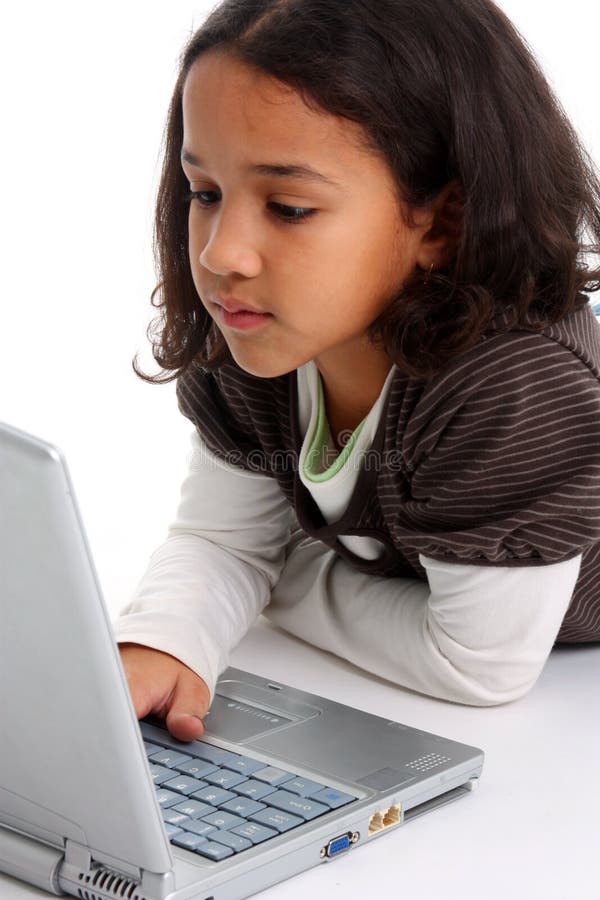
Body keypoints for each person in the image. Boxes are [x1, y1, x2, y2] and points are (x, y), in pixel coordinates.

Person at [113, 0, 600, 743]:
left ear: (441, 222)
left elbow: (477, 662)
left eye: (290, 207)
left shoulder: (513, 387)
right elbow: (223, 541)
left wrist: (278, 576)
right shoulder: (260, 332)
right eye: (205, 193)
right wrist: (163, 638)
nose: (221, 255)